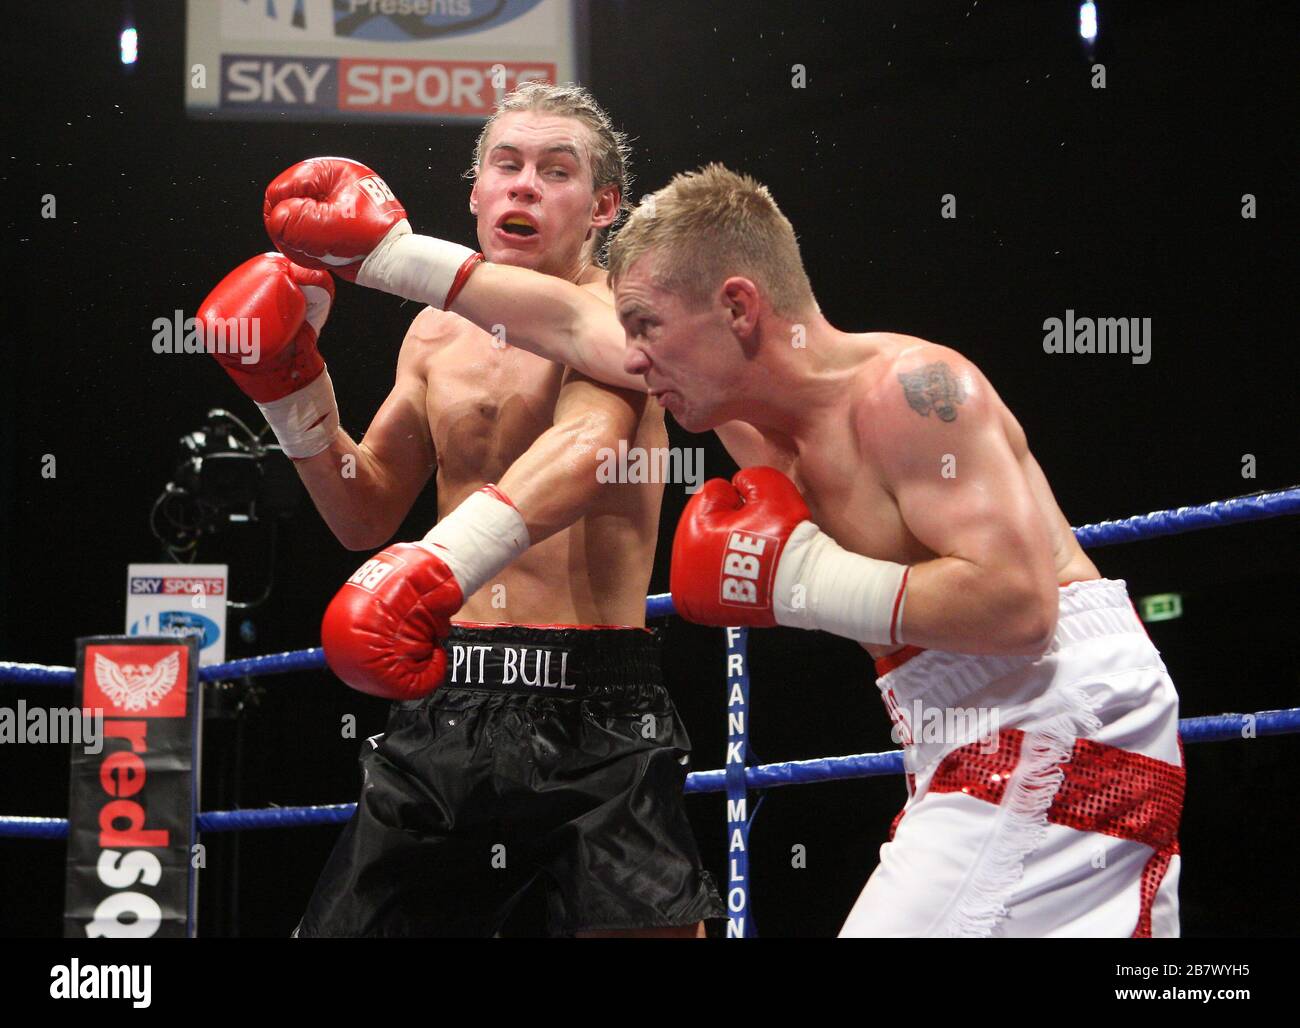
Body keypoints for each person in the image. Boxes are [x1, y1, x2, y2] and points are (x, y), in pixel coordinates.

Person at [328, 161, 1184, 937]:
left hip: (1052, 717)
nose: (631, 358)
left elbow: (1022, 608)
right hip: (966, 727)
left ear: (738, 308)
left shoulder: (912, 392)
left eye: (647, 326)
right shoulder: (746, 419)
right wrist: (388, 257)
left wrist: (799, 578)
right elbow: (566, 321)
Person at [197, 83, 722, 937]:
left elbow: (589, 449)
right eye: (506, 166)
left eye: (556, 171)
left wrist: (436, 565)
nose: (525, 185)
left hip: (594, 705)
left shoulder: (622, 320)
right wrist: (290, 396)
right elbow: (364, 512)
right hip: (449, 696)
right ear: (475, 193)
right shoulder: (434, 335)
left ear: (603, 207)